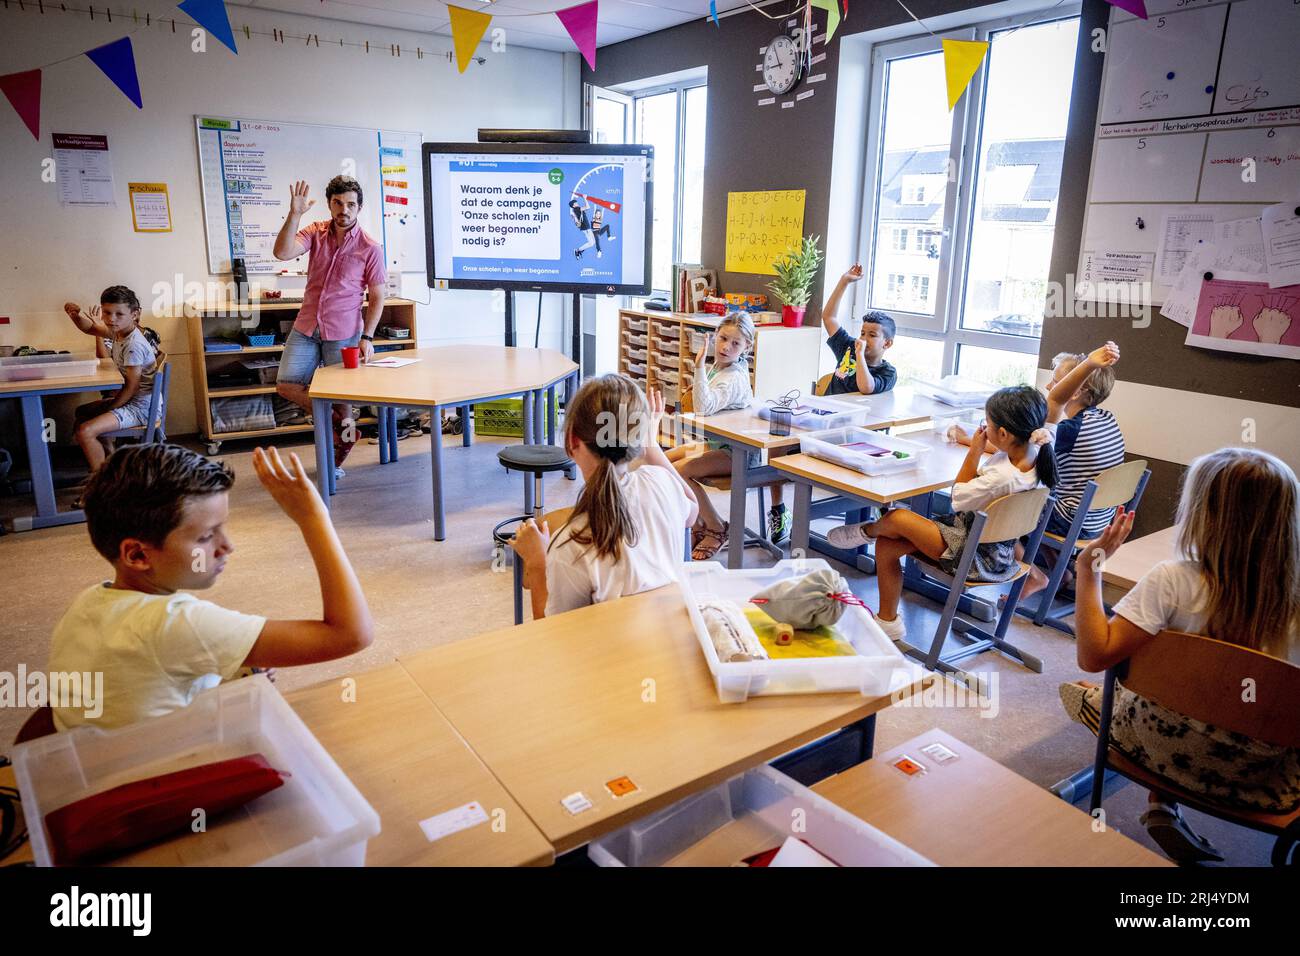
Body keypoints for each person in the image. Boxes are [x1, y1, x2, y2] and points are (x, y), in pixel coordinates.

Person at [1061, 448, 1300, 863]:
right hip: (1262, 779)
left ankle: (1161, 798)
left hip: (1160, 749)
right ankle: (1162, 806)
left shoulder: (1171, 581)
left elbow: (1094, 655)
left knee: (1106, 684)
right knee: (1226, 703)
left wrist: (1089, 568)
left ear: (1202, 513)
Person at [48, 443, 374, 731]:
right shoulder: (178, 624)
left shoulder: (88, 602)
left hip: (104, 774)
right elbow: (349, 634)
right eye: (206, 536)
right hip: (164, 784)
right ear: (136, 554)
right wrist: (314, 519)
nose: (227, 546)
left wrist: (220, 684)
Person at [827, 385, 1057, 642]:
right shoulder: (1037, 456)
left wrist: (974, 452)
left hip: (973, 557)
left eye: (987, 424)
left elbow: (957, 496)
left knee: (896, 519)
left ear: (1003, 434)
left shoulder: (1000, 479)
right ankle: (887, 622)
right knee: (888, 545)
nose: (984, 428)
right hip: (1001, 553)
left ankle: (866, 531)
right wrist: (978, 443)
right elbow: (1004, 455)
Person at [512, 377, 697, 618]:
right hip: (669, 645)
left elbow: (551, 639)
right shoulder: (661, 483)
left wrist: (538, 564)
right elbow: (692, 508)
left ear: (571, 441)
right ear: (637, 441)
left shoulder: (569, 546)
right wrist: (650, 443)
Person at [272, 176, 387, 477]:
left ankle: (337, 458)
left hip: (345, 331)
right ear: (329, 204)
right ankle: (337, 426)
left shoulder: (370, 248)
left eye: (350, 204)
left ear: (359, 207)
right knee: (286, 384)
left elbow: (377, 295)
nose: (344, 210)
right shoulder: (315, 232)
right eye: (338, 203)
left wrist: (367, 337)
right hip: (307, 326)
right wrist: (295, 213)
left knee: (343, 400)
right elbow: (282, 253)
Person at [665, 313, 757, 560]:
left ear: (747, 346)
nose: (726, 346)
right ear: (716, 335)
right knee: (665, 464)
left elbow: (703, 407)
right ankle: (697, 524)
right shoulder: (720, 367)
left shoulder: (734, 377)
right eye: (723, 338)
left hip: (739, 453)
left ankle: (716, 527)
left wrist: (697, 367)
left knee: (681, 471)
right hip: (719, 444)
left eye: (735, 343)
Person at [62, 286, 160, 479]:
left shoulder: (133, 345)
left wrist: (111, 407)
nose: (111, 319)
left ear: (135, 314)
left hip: (141, 408)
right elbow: (90, 328)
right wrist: (75, 316)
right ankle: (110, 463)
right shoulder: (120, 332)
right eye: (107, 312)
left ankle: (100, 485)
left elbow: (132, 387)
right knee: (82, 412)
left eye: (119, 314)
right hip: (132, 400)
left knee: (85, 431)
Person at [821, 263, 897, 396]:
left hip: (858, 416)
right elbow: (829, 317)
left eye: (872, 335)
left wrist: (859, 355)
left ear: (887, 343)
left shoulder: (887, 372)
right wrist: (844, 281)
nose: (863, 339)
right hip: (828, 412)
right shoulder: (849, 347)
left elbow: (866, 388)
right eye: (862, 333)